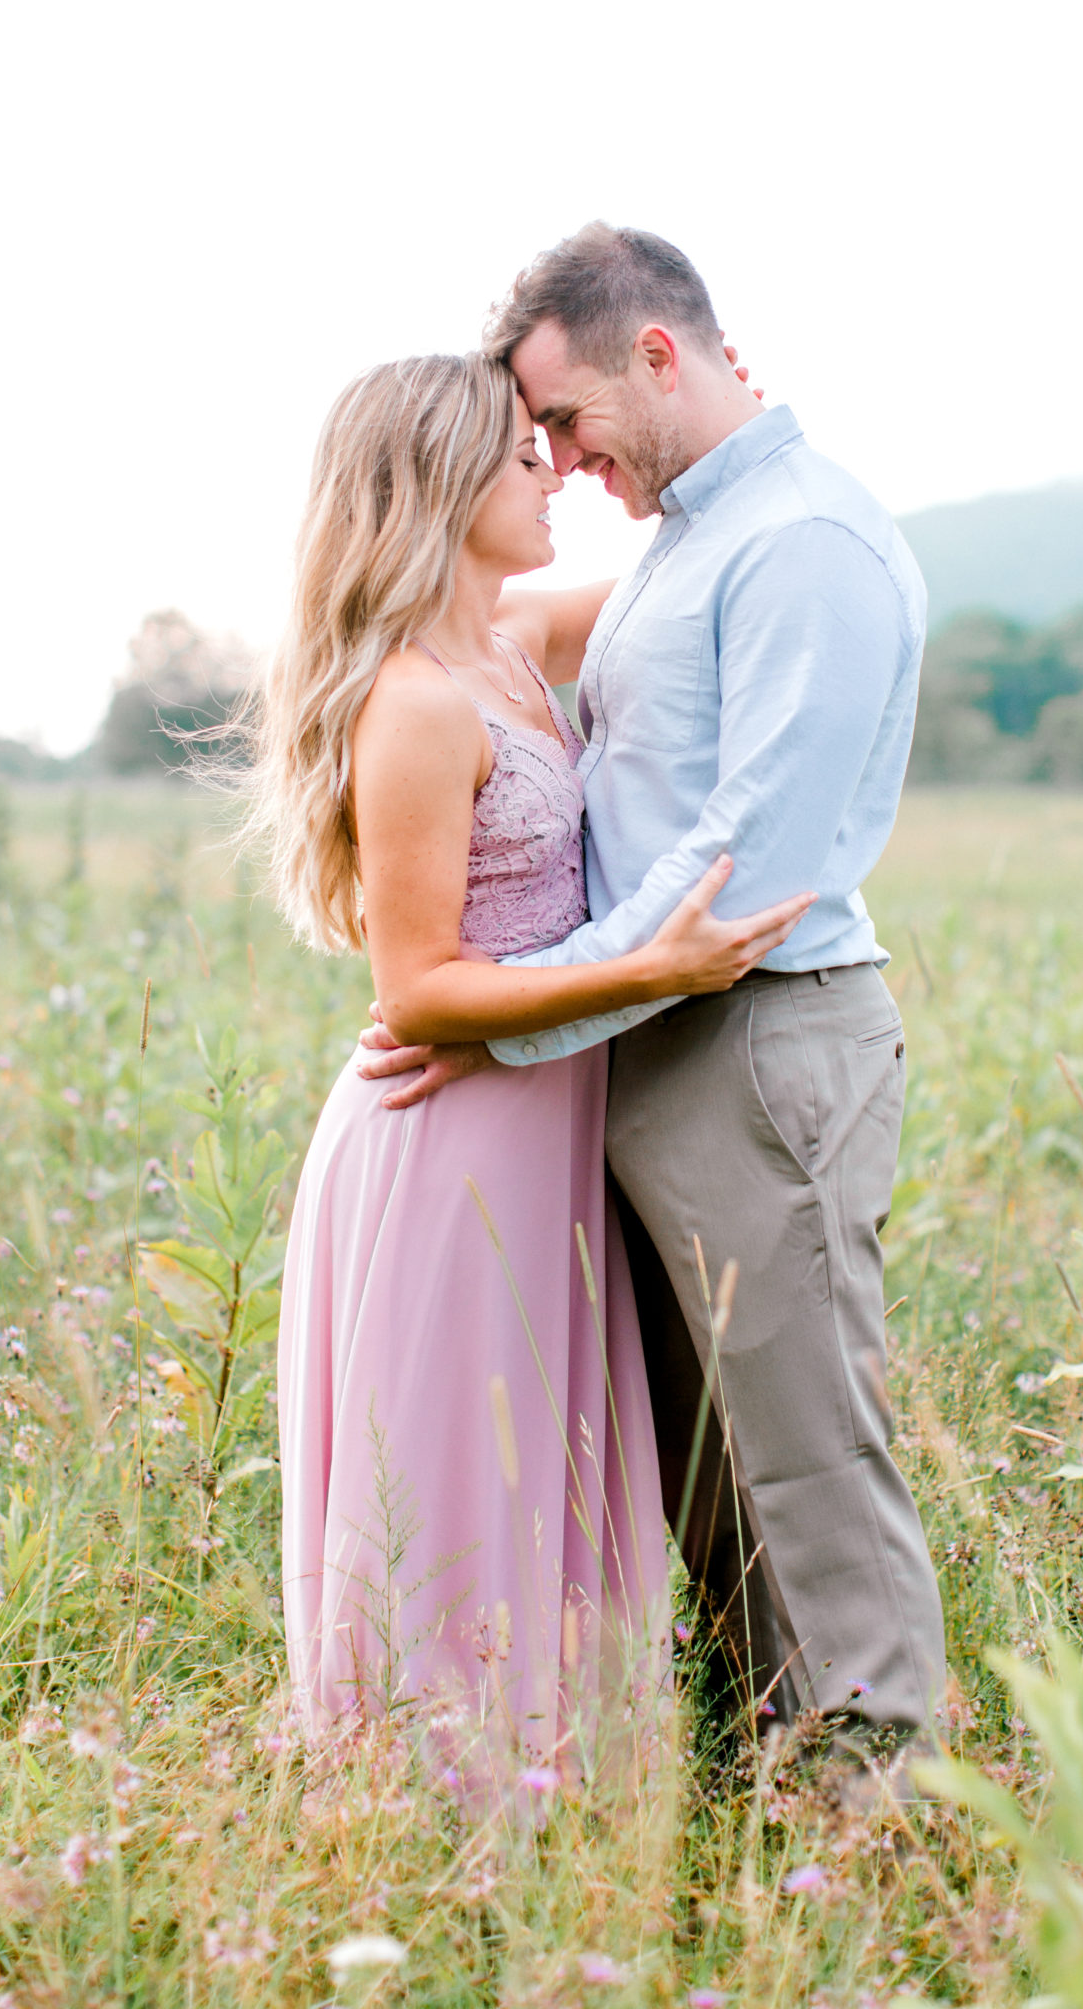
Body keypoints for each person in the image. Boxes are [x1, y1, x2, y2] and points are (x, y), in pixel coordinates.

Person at [359, 226, 947, 1777]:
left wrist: (494, 1012)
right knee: (702, 1468)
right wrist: (475, 1003)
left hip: (754, 1039)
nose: (555, 457)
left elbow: (733, 869)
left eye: (562, 420)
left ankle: (874, 1824)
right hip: (641, 1041)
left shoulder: (805, 545)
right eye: (531, 440)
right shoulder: (683, 548)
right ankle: (766, 1782)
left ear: (659, 357)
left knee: (808, 1458)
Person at [243, 351, 812, 1779]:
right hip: (457, 1139)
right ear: (439, 484)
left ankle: (559, 1803)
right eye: (520, 454)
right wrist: (658, 968)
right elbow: (419, 987)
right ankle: (433, 1825)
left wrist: (739, 425)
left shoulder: (510, 637)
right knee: (453, 1481)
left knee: (542, 1468)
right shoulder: (420, 701)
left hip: (547, 1122)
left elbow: (706, 575)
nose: (555, 467)